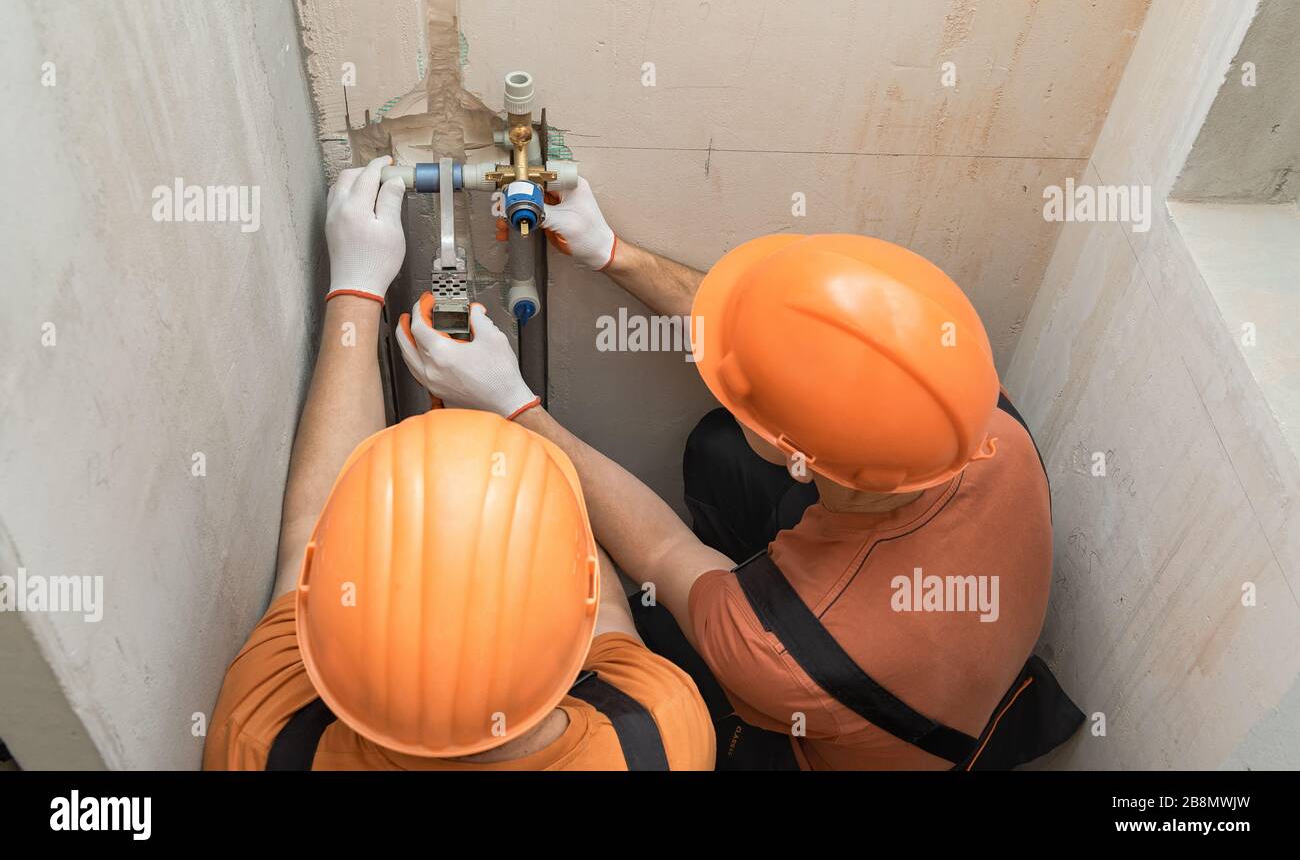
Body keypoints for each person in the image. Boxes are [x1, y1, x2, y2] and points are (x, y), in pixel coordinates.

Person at [396, 177, 1081, 770]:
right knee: (721, 451)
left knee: (646, 628)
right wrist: (613, 252)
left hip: (826, 717)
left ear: (795, 454)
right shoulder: (961, 402)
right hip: (918, 641)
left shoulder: (786, 654)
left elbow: (665, 551)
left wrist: (512, 408)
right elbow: (779, 337)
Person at [204, 159, 714, 771]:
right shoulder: (656, 735)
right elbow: (613, 604)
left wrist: (356, 291)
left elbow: (311, 526)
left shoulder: (260, 736)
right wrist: (511, 405)